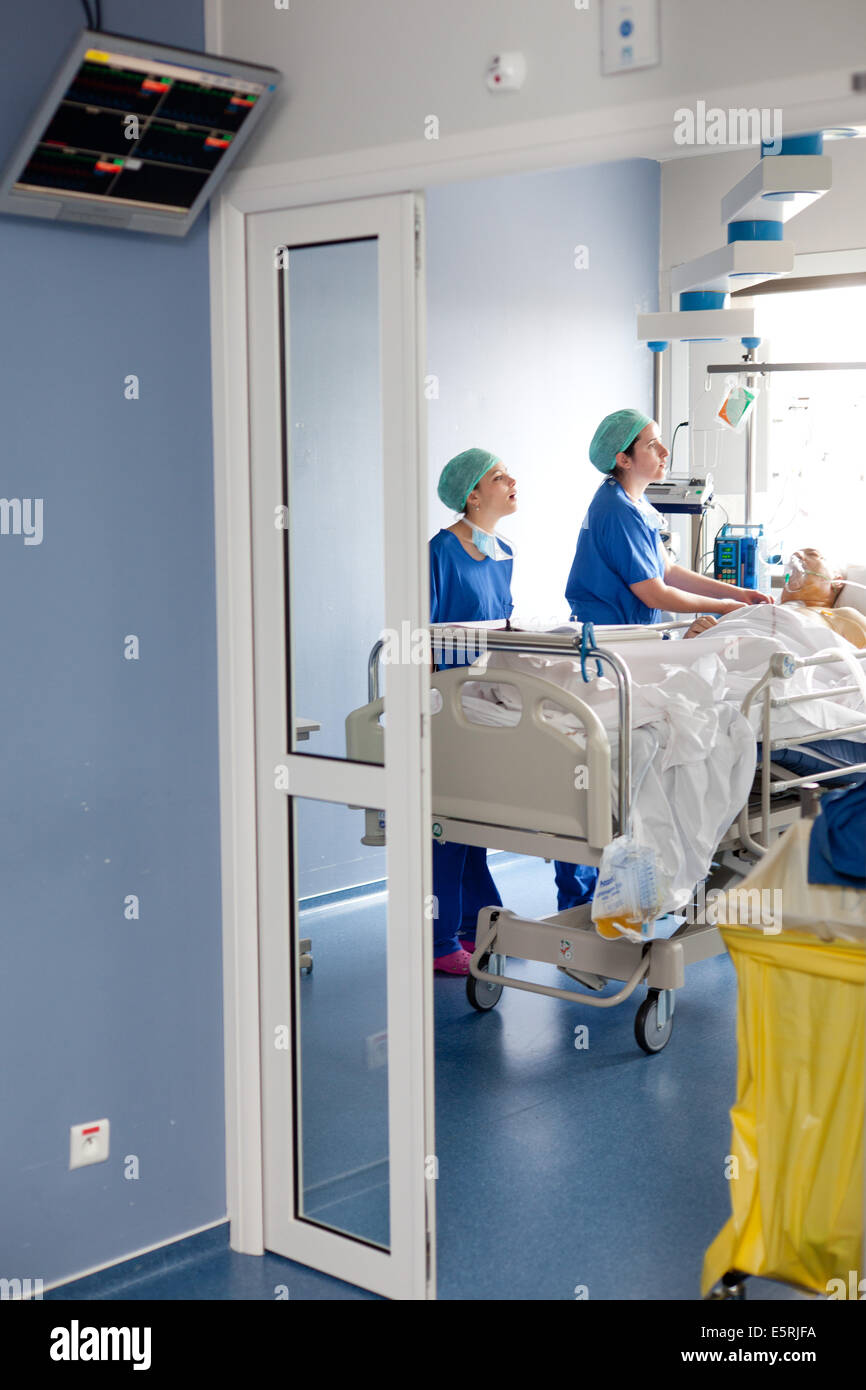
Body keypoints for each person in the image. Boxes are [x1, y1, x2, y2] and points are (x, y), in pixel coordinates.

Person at [555, 408, 773, 911]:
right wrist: (724, 606)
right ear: (622, 458)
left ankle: (623, 884)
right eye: (653, 445)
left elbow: (669, 569)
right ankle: (580, 893)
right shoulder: (612, 508)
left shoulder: (638, 505)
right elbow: (653, 589)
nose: (664, 452)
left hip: (639, 644)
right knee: (602, 753)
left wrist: (736, 591)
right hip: (612, 644)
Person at [430, 447, 517, 974]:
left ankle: (474, 923)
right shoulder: (440, 552)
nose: (513, 480)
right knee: (448, 827)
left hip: (488, 703)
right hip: (448, 705)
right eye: (499, 475)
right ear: (473, 495)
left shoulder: (504, 552)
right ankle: (440, 942)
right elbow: (423, 633)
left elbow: (501, 627)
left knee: (474, 823)